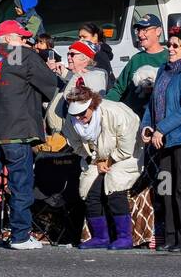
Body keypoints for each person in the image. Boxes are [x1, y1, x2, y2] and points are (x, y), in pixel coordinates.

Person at [0, 19, 59, 250]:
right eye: (21, 37)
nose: (26, 41)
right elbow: (50, 83)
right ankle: (19, 236)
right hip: (16, 131)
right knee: (20, 185)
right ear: (8, 39)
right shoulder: (21, 55)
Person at [140, 26, 181, 252]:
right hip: (165, 138)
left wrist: (162, 129)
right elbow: (153, 104)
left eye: (176, 45)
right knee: (165, 186)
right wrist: (148, 126)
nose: (170, 48)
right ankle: (170, 236)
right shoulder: (164, 70)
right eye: (170, 44)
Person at [58, 86, 141, 250]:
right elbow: (75, 144)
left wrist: (108, 161)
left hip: (127, 156)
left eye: (83, 113)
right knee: (89, 190)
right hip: (96, 158)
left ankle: (125, 237)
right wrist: (95, 160)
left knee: (114, 185)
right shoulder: (72, 120)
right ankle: (100, 237)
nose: (80, 118)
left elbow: (127, 146)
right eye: (76, 115)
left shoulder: (116, 113)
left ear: (92, 106)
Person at [105, 14, 168, 116]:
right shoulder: (136, 59)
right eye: (138, 30)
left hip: (157, 120)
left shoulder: (169, 58)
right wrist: (103, 106)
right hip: (131, 119)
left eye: (145, 30)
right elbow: (119, 89)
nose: (140, 34)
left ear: (158, 31)